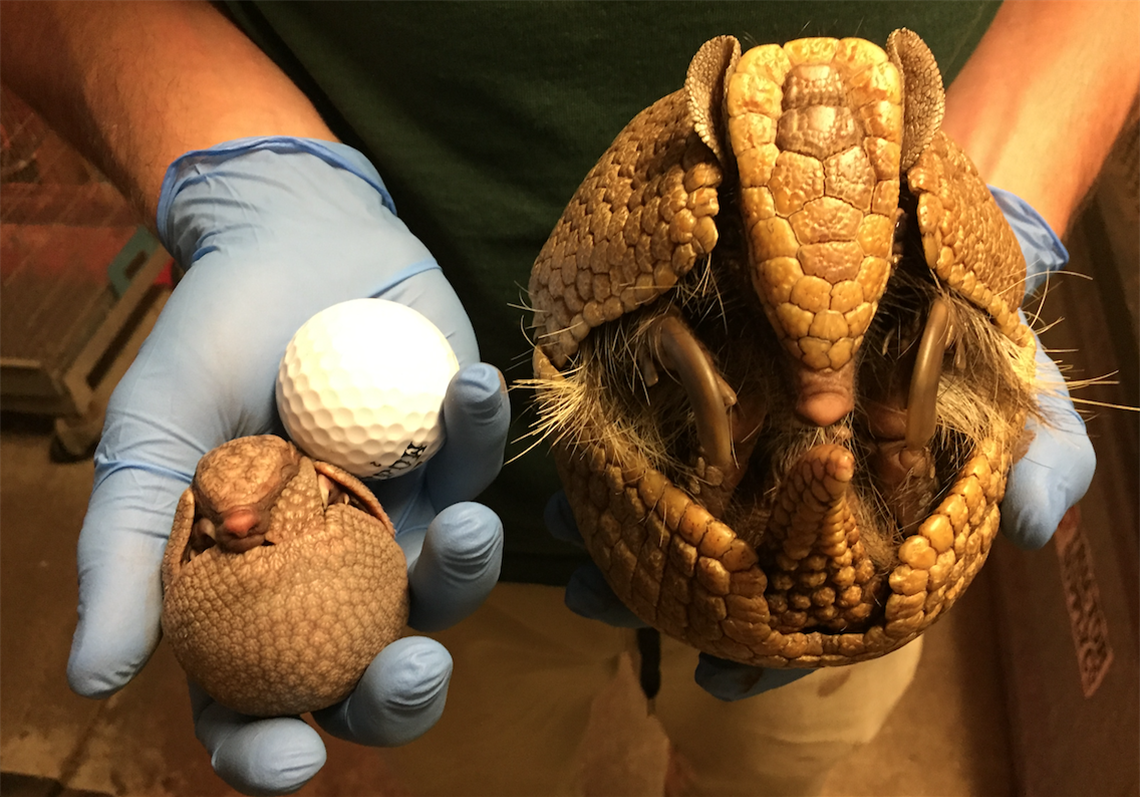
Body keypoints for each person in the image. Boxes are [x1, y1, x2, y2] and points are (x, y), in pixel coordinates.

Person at [2, 0, 1135, 794]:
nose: (823, 397)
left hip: (895, 369)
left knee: (775, 760)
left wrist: (995, 206)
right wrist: (242, 158)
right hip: (441, 507)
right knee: (476, 760)